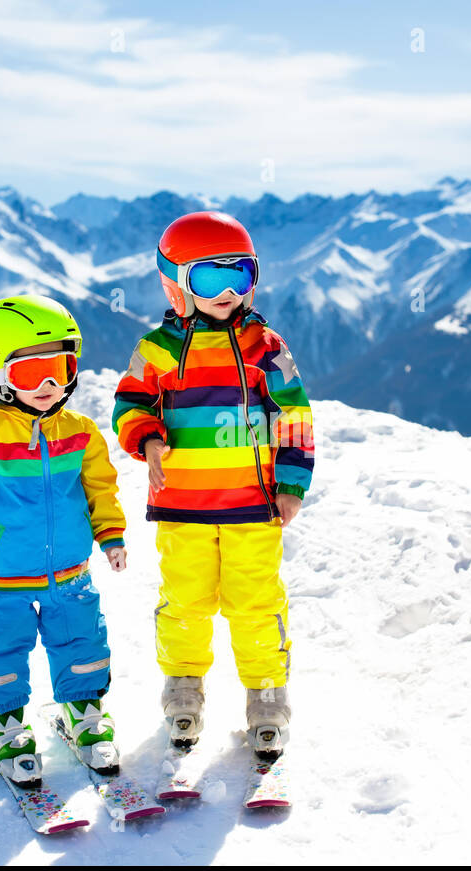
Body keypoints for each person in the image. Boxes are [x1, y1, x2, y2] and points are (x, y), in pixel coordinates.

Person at [112, 211, 314, 759]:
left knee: (256, 603)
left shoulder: (265, 347)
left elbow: (294, 414)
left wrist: (292, 483)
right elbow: (129, 404)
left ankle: (267, 695)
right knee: (186, 602)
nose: (226, 292)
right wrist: (149, 440)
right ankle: (183, 688)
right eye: (208, 278)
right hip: (183, 507)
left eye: (239, 276)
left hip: (255, 507)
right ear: (177, 284)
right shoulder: (156, 350)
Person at [0, 294, 127, 783]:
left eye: (60, 369)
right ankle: (2, 722)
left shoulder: (81, 432)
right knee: (1, 645)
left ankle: (83, 713)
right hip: (4, 573)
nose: (48, 386)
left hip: (70, 570)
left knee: (82, 641)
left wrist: (110, 535)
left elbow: (99, 488)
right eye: (30, 373)